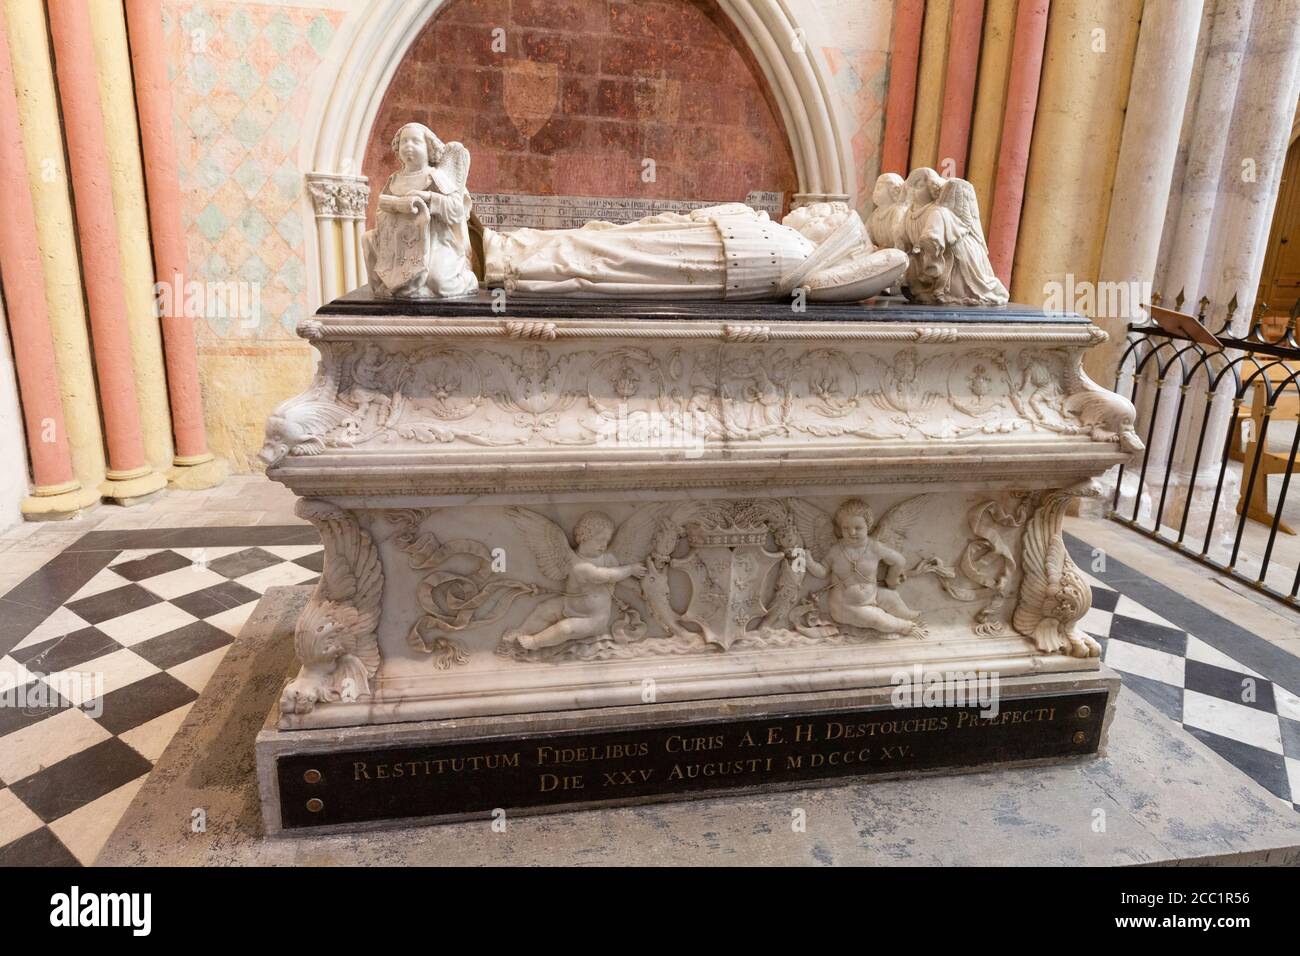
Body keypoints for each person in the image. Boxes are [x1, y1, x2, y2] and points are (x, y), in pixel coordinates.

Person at [363, 122, 477, 298]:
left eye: (415, 141)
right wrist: (393, 207)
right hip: (399, 244)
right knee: (370, 242)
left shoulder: (435, 176)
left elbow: (456, 209)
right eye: (404, 142)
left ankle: (467, 279)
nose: (409, 146)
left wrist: (428, 198)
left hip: (435, 241)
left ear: (429, 148)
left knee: (440, 283)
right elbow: (381, 210)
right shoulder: (394, 179)